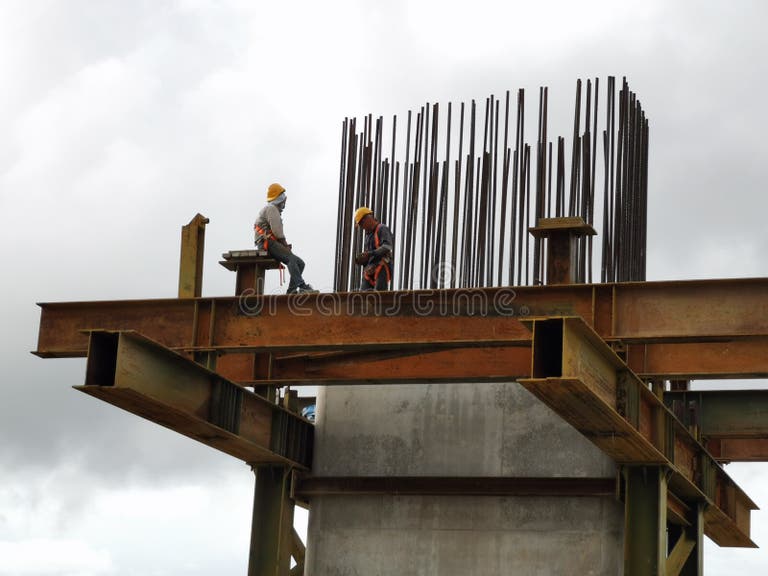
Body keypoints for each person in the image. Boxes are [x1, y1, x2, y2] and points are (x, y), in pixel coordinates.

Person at [254, 183, 318, 294]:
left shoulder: (271, 209)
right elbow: (278, 233)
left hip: (270, 242)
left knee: (300, 263)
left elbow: (276, 233)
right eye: (284, 202)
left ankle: (291, 290)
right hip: (266, 242)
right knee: (291, 259)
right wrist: (285, 245)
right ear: (280, 199)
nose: (284, 205)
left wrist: (284, 246)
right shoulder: (272, 209)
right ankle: (302, 286)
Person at [354, 206, 393, 290]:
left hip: (381, 265)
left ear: (367, 219)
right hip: (370, 268)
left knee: (379, 295)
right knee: (363, 295)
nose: (361, 227)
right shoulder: (368, 236)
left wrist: (370, 254)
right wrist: (364, 260)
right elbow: (369, 254)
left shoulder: (382, 229)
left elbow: (387, 246)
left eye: (361, 224)